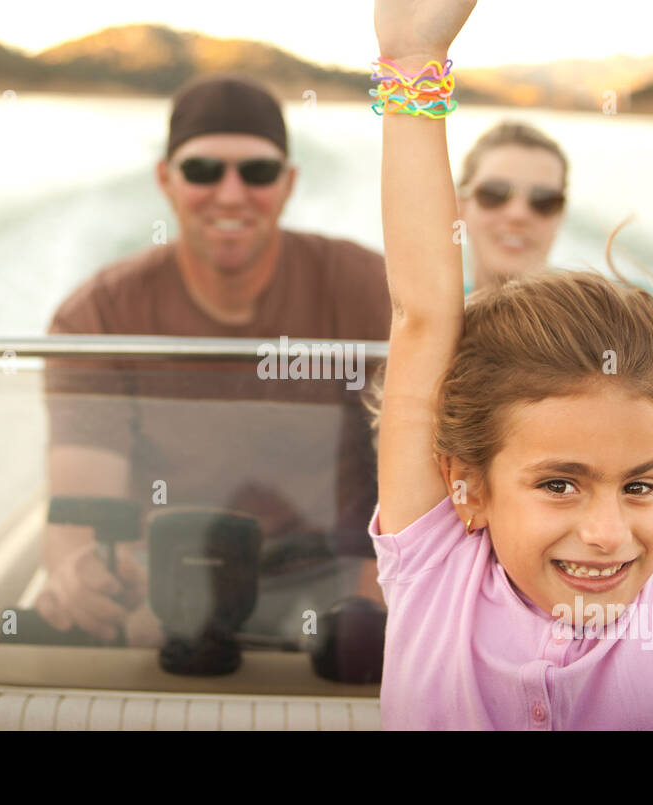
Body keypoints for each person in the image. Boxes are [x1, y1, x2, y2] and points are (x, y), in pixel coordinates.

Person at [369, 0, 653, 730]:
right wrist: (410, 55)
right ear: (466, 488)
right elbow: (423, 315)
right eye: (560, 483)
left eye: (639, 485)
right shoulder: (436, 568)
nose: (608, 531)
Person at [37, 74, 392, 644]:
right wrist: (84, 570)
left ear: (289, 183)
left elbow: (419, 473)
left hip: (336, 576)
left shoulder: (370, 290)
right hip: (169, 580)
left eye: (258, 172)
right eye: (202, 171)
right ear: (165, 180)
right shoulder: (97, 316)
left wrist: (374, 606)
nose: (230, 194)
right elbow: (83, 511)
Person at [456, 120, 568, 293]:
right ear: (460, 208)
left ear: (561, 215)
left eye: (544, 201)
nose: (518, 214)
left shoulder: (604, 316)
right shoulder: (421, 313)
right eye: (493, 194)